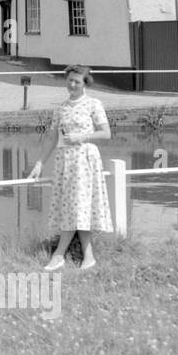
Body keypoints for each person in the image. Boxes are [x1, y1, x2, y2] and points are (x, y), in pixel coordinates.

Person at [28, 64, 113, 270]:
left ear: (85, 84)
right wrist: (39, 163)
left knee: (80, 206)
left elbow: (106, 133)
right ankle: (88, 256)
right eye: (69, 80)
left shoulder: (93, 104)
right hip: (64, 161)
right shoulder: (61, 108)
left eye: (77, 81)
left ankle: (59, 255)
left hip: (84, 160)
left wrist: (82, 136)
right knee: (70, 206)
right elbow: (51, 138)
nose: (72, 85)